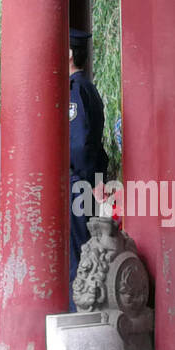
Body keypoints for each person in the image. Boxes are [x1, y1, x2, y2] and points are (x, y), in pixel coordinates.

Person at [69, 28, 107, 304]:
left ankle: (78, 308)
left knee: (78, 253)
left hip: (78, 182)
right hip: (86, 180)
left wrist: (76, 178)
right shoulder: (87, 88)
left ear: (69, 54)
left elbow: (79, 143)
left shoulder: (76, 90)